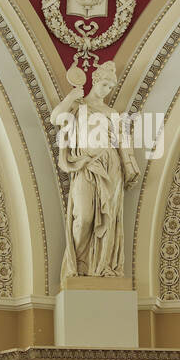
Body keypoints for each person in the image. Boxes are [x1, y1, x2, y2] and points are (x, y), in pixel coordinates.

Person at [51, 61, 140, 282]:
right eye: (104, 85)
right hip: (85, 166)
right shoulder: (78, 105)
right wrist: (71, 96)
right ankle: (77, 266)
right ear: (95, 81)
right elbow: (56, 118)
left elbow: (122, 142)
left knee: (108, 220)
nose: (107, 90)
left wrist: (129, 167)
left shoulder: (112, 113)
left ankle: (101, 265)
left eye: (110, 87)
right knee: (83, 217)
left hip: (110, 168)